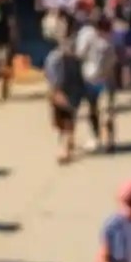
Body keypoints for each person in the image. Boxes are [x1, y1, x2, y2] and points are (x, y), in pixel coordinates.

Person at [77, 12, 118, 153]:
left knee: (107, 111)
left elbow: (116, 58)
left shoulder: (112, 37)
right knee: (92, 110)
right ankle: (95, 138)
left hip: (106, 79)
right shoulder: (87, 35)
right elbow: (80, 53)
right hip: (89, 77)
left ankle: (108, 141)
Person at [44, 32, 86, 164]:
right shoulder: (54, 59)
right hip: (59, 92)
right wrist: (54, 93)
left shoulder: (76, 60)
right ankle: (68, 144)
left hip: (71, 93)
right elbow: (50, 77)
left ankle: (65, 150)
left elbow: (80, 78)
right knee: (60, 124)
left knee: (68, 121)